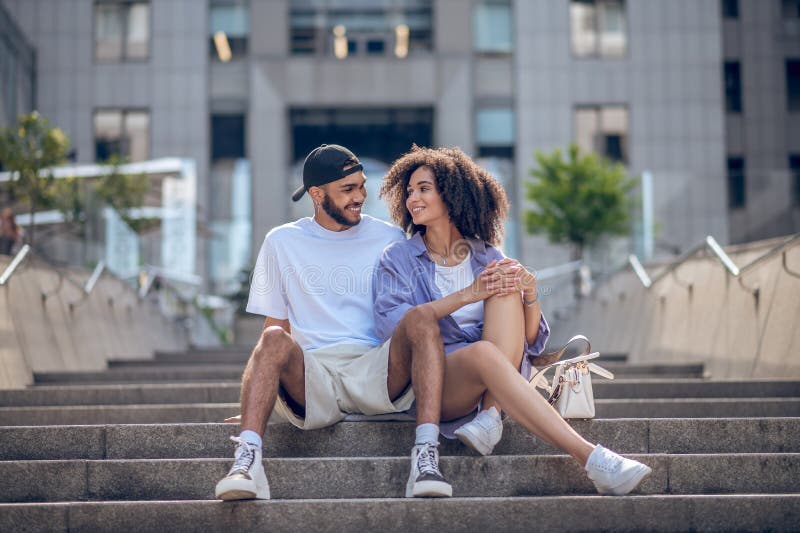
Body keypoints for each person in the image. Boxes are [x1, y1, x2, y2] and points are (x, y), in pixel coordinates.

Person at [374, 146, 652, 495]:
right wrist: (467, 295)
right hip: (436, 383)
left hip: (490, 376)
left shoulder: (486, 255)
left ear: (452, 194)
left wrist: (531, 292)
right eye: (410, 190)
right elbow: (395, 328)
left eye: (424, 188)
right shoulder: (398, 258)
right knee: (484, 351)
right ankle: (591, 458)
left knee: (506, 285)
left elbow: (532, 342)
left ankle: (491, 414)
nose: (413, 197)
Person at [215, 144, 453, 501]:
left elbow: (415, 326)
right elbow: (274, 327)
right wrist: (255, 403)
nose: (359, 196)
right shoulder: (281, 242)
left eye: (361, 185)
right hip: (313, 377)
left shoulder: (390, 238)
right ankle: (247, 461)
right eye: (347, 189)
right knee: (275, 338)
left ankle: (426, 455)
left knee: (420, 319)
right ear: (316, 194)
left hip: (375, 370)